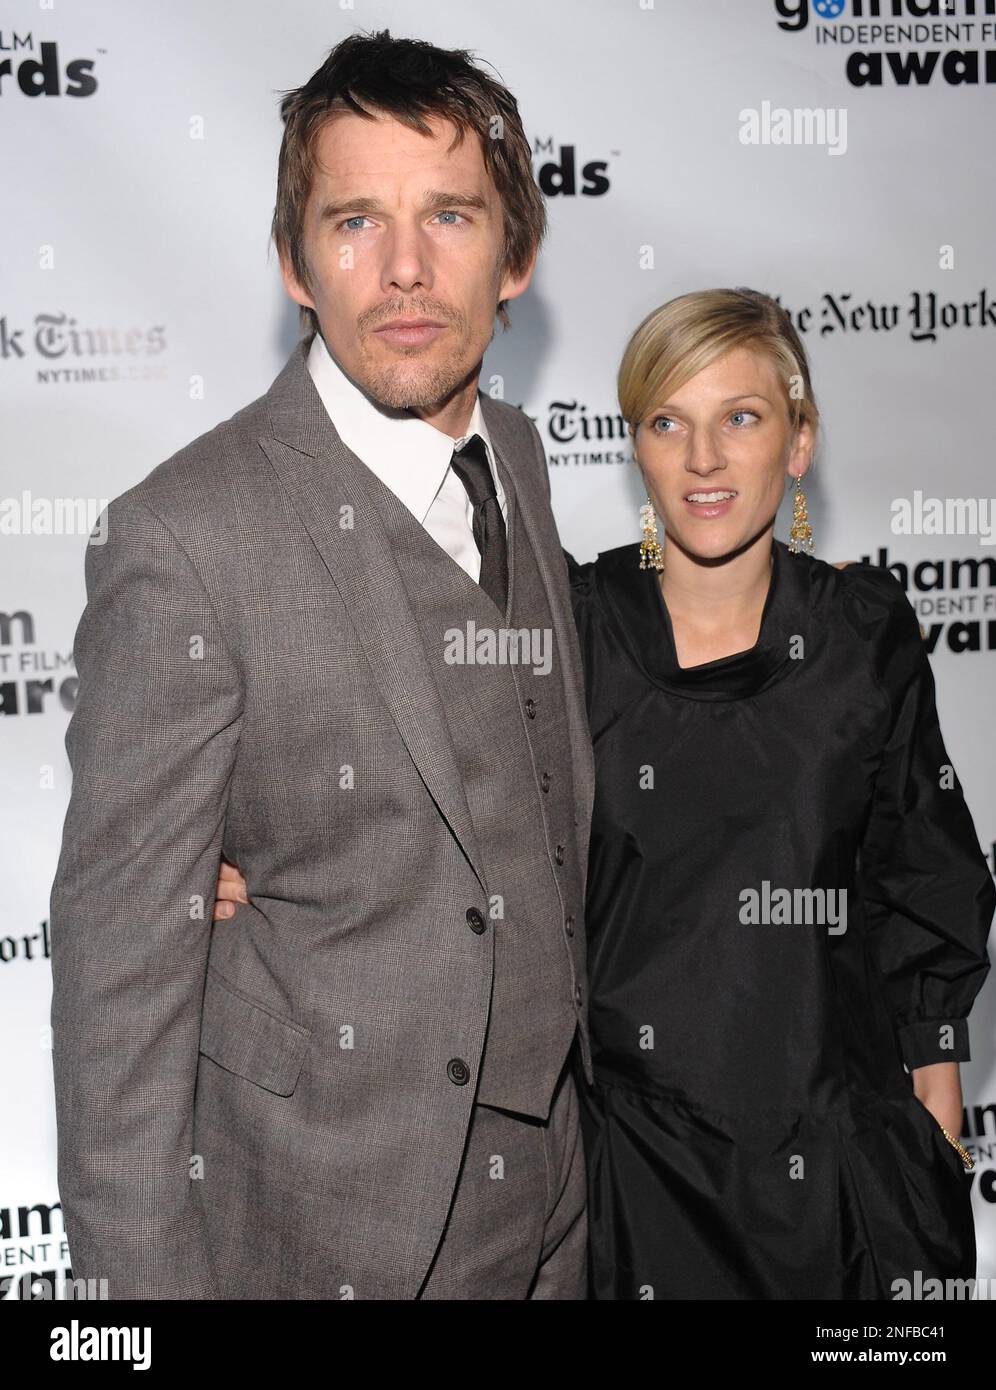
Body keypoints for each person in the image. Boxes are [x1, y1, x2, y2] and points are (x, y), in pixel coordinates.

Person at [48, 30, 594, 1300]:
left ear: (517, 254)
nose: (404, 269)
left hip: (563, 1208)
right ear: (294, 262)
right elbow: (119, 1005)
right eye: (354, 222)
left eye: (449, 215)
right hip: (324, 1230)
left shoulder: (521, 455)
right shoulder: (184, 538)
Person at [566, 287, 995, 1299]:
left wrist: (936, 1135)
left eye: (740, 419)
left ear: (799, 445)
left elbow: (921, 877)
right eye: (668, 422)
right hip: (633, 1178)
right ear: (637, 447)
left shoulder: (861, 632)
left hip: (835, 1186)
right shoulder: (570, 627)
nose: (703, 458)